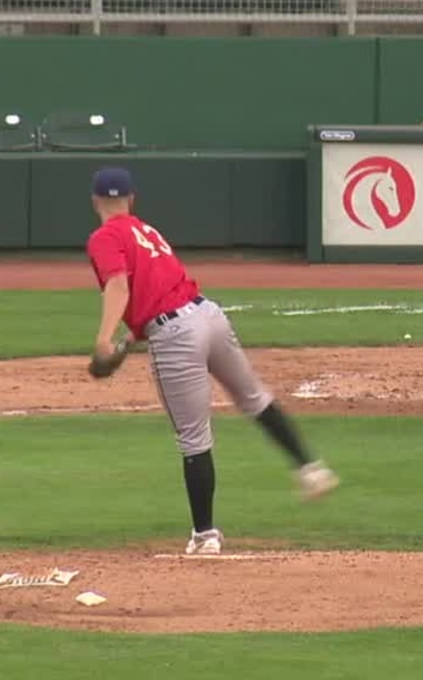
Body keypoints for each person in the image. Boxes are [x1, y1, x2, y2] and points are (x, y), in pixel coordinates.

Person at [84, 166, 339, 556]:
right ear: (132, 199)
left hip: (175, 334)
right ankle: (311, 469)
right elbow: (160, 291)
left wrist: (104, 340)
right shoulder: (147, 231)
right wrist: (128, 340)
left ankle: (205, 536)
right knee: (254, 398)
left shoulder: (104, 237)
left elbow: (120, 286)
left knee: (193, 437)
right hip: (208, 315)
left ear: (94, 201)